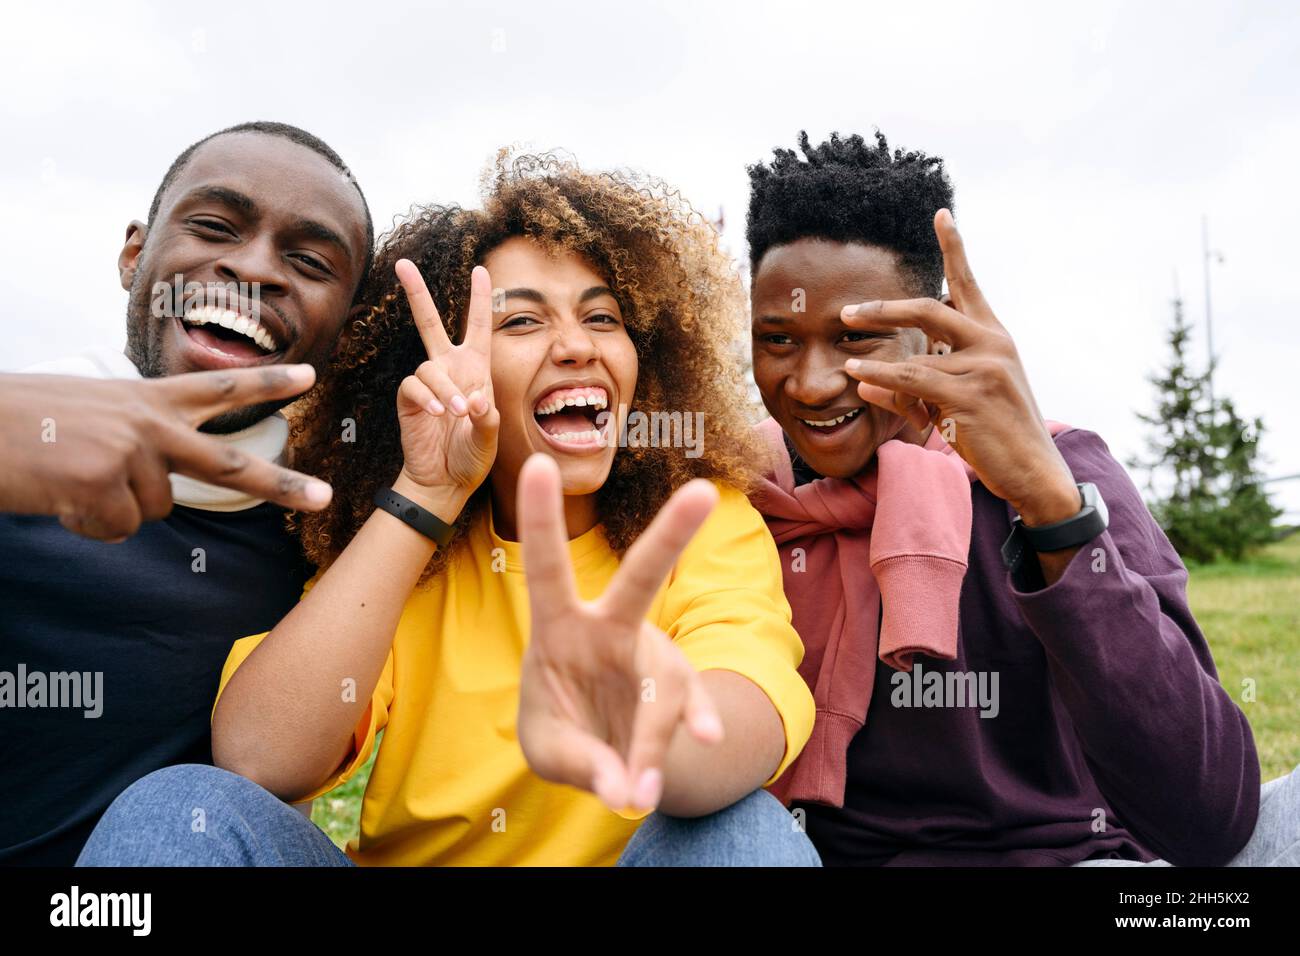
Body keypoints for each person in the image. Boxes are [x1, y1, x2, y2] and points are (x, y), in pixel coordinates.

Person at [77, 152, 820, 867]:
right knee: (178, 805)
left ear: (648, 362)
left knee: (744, 832)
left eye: (603, 319)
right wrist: (427, 494)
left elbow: (743, 711)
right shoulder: (409, 543)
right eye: (521, 323)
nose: (574, 347)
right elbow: (260, 757)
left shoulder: (698, 517)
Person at [745, 130, 1298, 866]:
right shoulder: (747, 495)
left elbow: (1211, 817)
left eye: (858, 339)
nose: (811, 383)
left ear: (936, 336)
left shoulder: (1063, 467)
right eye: (778, 340)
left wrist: (1050, 506)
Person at [0, 121, 373, 865]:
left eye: (307, 260)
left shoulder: (338, 537)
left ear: (350, 327)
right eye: (214, 226)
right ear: (136, 254)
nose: (255, 268)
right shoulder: (22, 441)